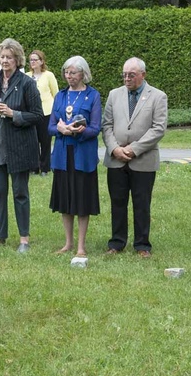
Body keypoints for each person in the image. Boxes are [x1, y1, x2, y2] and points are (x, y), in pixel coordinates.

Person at [0, 38, 43, 253]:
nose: (5, 60)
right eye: (2, 57)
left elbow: (37, 115)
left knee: (20, 193)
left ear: (17, 59)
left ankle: (24, 239)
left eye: (9, 57)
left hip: (19, 148)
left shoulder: (27, 83)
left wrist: (12, 113)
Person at [102, 58, 168, 257]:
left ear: (143, 75)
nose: (127, 78)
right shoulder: (114, 95)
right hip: (116, 159)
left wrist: (133, 149)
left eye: (131, 75)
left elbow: (158, 128)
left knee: (142, 204)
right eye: (124, 75)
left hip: (143, 160)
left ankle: (142, 245)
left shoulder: (158, 96)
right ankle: (116, 243)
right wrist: (114, 149)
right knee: (117, 202)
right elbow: (106, 125)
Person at [49, 56, 101, 257]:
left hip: (83, 156)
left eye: (73, 73)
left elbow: (96, 128)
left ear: (83, 74)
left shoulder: (93, 96)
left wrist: (79, 130)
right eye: (66, 73)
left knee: (82, 200)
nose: (69, 76)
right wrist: (61, 129)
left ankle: (81, 246)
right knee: (66, 199)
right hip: (63, 155)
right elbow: (50, 126)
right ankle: (68, 243)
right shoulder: (60, 96)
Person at [27, 50, 60, 175]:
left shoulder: (48, 75)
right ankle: (34, 167)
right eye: (31, 60)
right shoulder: (26, 75)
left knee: (45, 141)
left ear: (41, 61)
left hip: (47, 112)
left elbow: (56, 93)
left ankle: (45, 167)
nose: (33, 62)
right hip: (31, 112)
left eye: (36, 59)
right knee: (32, 141)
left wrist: (56, 112)